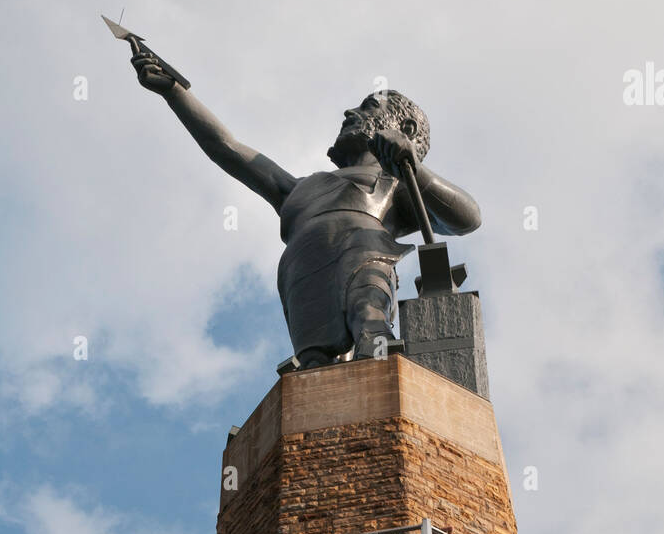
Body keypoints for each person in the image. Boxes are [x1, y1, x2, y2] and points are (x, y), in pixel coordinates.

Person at [129, 55, 482, 367]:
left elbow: (467, 219)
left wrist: (413, 167)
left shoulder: (397, 182)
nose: (350, 113)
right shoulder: (300, 188)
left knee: (370, 325)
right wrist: (175, 92)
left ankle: (384, 381)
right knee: (312, 362)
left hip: (363, 257)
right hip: (303, 272)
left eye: (368, 106)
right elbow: (227, 148)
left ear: (403, 128)